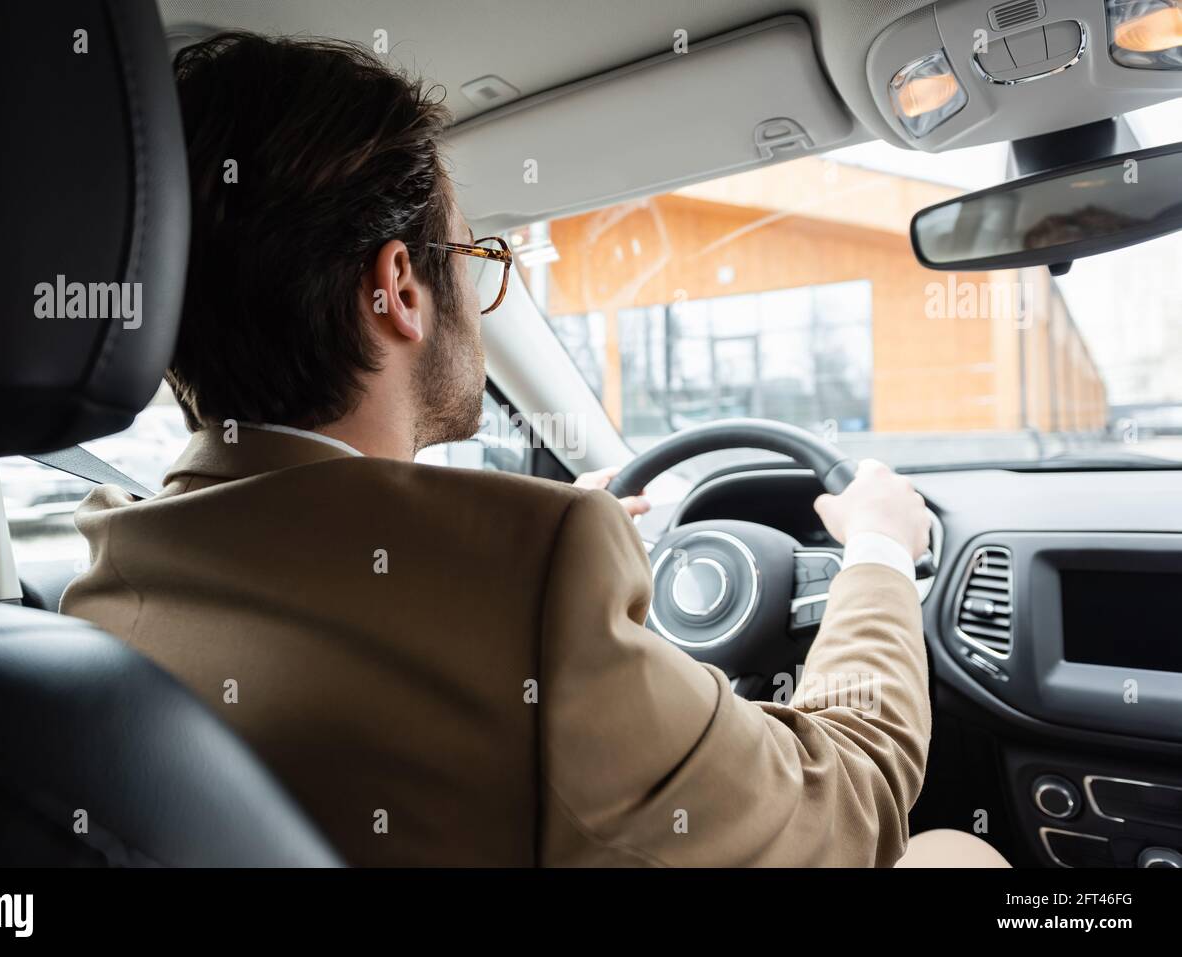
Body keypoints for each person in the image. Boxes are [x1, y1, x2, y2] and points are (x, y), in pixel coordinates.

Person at [61, 32, 1005, 868]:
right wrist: (879, 556)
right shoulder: (538, 583)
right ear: (399, 288)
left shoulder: (109, 574)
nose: (484, 294)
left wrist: (545, 559)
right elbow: (848, 804)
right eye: (480, 262)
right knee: (954, 849)